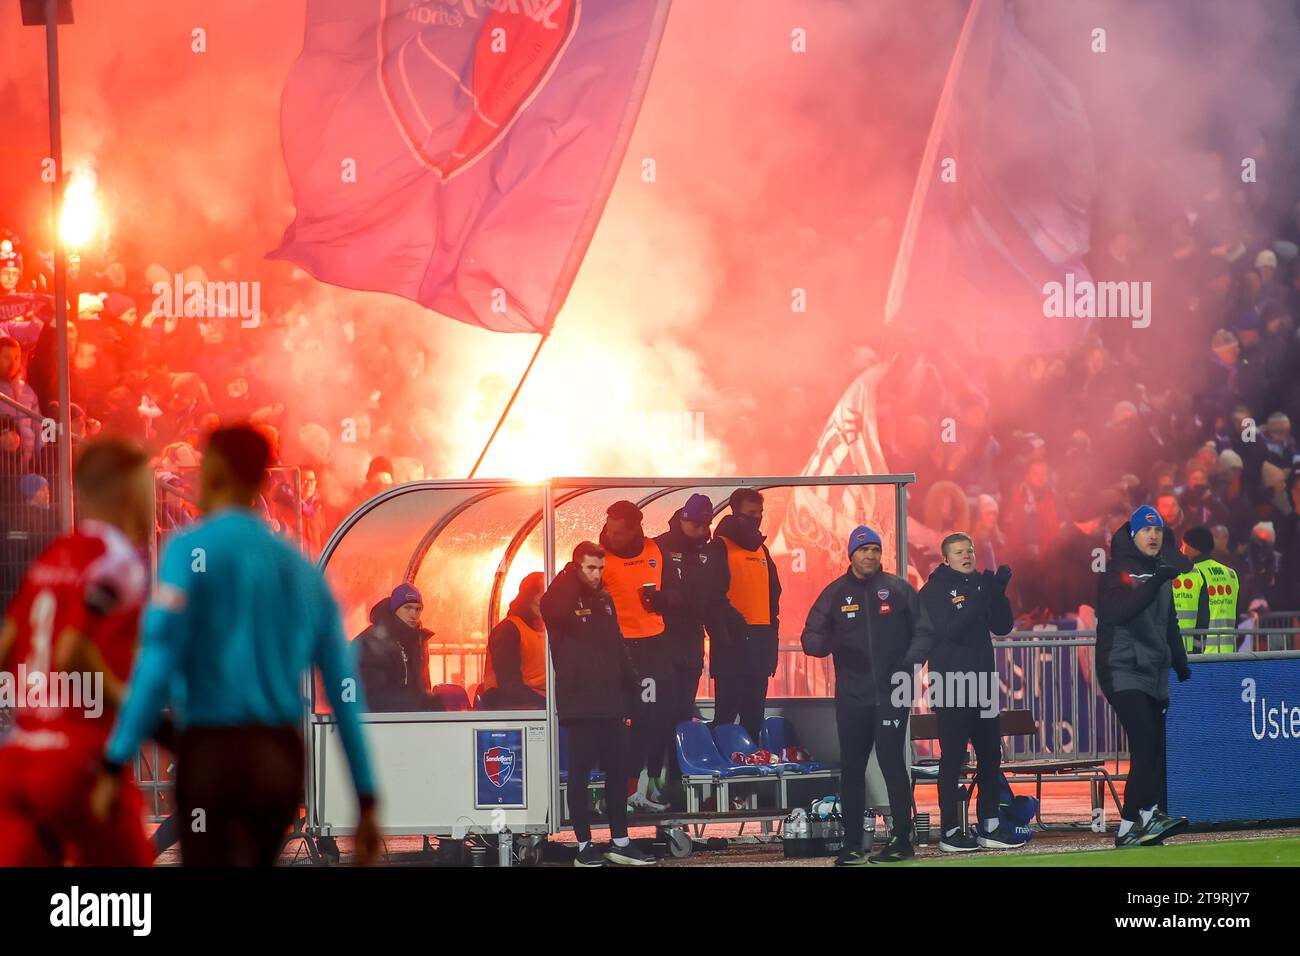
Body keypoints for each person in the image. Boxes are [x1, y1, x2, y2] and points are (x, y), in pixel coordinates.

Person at [93, 425, 380, 866]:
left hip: (213, 751)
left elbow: (158, 662)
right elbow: (344, 687)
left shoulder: (188, 551)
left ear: (217, 471)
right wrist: (366, 796)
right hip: (278, 760)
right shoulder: (300, 567)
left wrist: (115, 760)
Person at [0, 439, 156, 865]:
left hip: (22, 757)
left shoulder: (55, 553)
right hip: (81, 759)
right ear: (129, 494)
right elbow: (73, 651)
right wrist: (142, 711)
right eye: (148, 488)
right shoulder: (118, 561)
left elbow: (7, 642)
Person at [801, 525, 918, 865]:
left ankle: (901, 841)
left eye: (875, 550)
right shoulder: (835, 593)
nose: (870, 555)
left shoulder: (897, 589)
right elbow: (811, 638)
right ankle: (852, 844)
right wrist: (833, 642)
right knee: (852, 768)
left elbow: (924, 630)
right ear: (851, 554)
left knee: (892, 764)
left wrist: (906, 665)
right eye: (864, 549)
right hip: (852, 696)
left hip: (891, 694)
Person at [904, 532, 1025, 852]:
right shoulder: (933, 591)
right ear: (946, 558)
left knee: (990, 757)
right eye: (959, 552)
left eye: (970, 550)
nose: (967, 556)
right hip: (951, 685)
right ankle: (951, 831)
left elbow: (1002, 627)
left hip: (983, 684)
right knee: (953, 759)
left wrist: (999, 594)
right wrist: (979, 594)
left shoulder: (980, 588)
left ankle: (990, 826)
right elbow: (952, 630)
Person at [540, 541, 653, 867]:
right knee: (580, 774)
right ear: (576, 567)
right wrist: (569, 576)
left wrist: (632, 688)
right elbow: (552, 607)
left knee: (617, 772)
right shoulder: (561, 597)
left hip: (610, 701)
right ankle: (583, 845)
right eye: (590, 567)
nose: (596, 574)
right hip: (579, 702)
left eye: (600, 568)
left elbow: (617, 644)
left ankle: (620, 841)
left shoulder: (604, 599)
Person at [1096, 505, 1192, 849]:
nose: (1153, 536)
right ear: (1133, 534)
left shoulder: (1160, 571)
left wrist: (1180, 662)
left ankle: (1127, 829)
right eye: (1146, 530)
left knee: (1150, 751)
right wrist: (1155, 584)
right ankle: (1150, 816)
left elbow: (1169, 623)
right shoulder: (1118, 570)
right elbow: (1116, 612)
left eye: (1158, 531)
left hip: (1153, 671)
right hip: (1121, 668)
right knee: (1145, 741)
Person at [598, 499, 672, 812]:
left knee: (647, 717)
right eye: (609, 530)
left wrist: (663, 600)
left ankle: (633, 789)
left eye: (617, 532)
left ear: (635, 530)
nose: (610, 536)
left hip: (652, 647)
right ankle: (610, 792)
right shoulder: (599, 559)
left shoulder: (655, 551)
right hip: (618, 649)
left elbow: (677, 593)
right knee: (618, 720)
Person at [705, 488, 781, 741]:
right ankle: (720, 770)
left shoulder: (763, 550)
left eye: (759, 514)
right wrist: (726, 632)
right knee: (725, 716)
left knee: (754, 718)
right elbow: (712, 596)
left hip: (760, 644)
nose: (756, 519)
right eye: (750, 514)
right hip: (731, 645)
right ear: (735, 512)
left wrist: (771, 637)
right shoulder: (719, 546)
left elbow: (774, 595)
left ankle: (750, 776)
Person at [652, 493, 713, 802]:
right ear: (684, 519)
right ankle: (652, 780)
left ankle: (676, 779)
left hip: (691, 648)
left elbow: (713, 597)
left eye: (706, 524)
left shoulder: (708, 552)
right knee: (658, 715)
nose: (702, 530)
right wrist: (667, 600)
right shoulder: (659, 547)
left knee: (681, 714)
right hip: (661, 647)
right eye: (697, 524)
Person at [355, 582, 434, 711]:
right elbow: (372, 693)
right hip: (382, 721)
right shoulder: (375, 640)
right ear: (395, 609)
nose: (413, 614)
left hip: (414, 720)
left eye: (418, 609)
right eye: (407, 607)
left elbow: (422, 686)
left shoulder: (418, 641)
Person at [480, 572, 547, 710]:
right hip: (510, 705)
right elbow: (509, 683)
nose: (543, 599)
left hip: (542, 701)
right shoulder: (508, 630)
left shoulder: (547, 629)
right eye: (539, 592)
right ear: (528, 595)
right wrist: (546, 702)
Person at [1174, 526, 1240, 654]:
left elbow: (1198, 614)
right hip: (1228, 651)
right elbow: (1236, 613)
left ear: (1193, 548)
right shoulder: (1230, 573)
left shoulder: (1191, 574)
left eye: (1184, 545)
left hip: (1202, 652)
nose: (1181, 550)